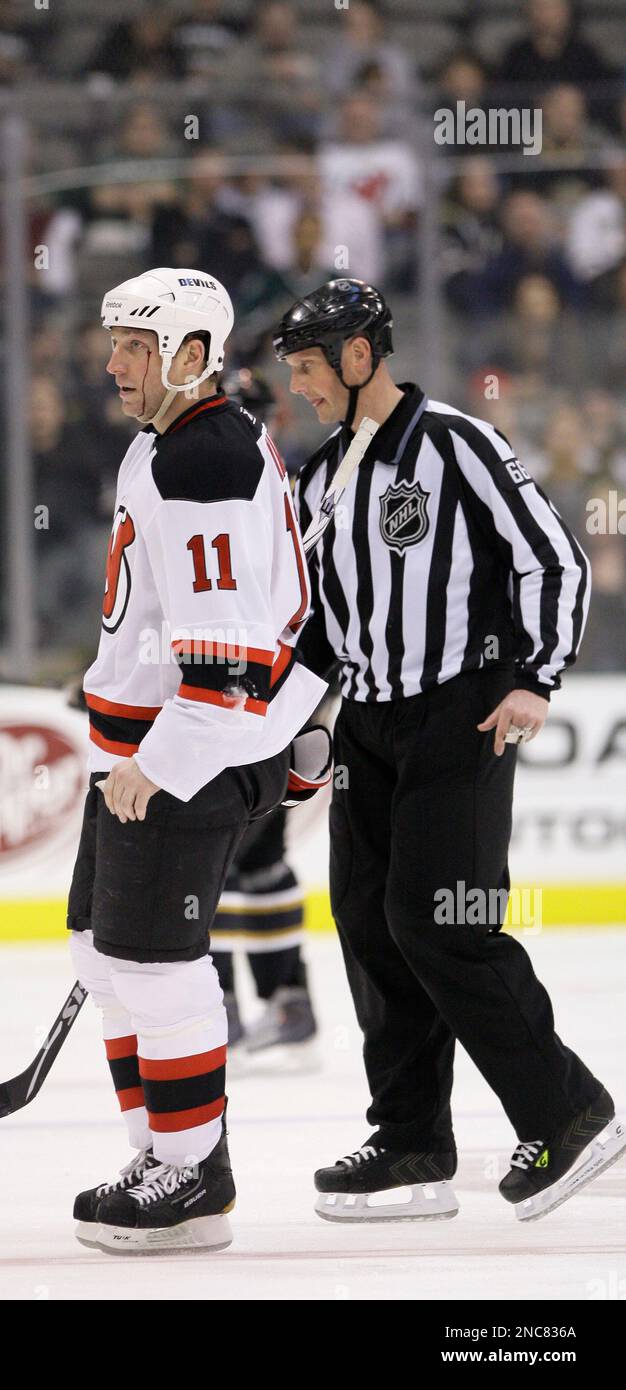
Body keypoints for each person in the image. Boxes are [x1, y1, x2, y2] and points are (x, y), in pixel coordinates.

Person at [272, 276, 623, 1223]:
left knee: (443, 919)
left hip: (459, 711)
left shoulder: (457, 444)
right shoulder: (320, 476)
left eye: (309, 367)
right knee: (370, 922)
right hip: (370, 726)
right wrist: (291, 725)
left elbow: (554, 555)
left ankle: (569, 1110)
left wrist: (533, 677)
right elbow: (317, 628)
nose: (299, 386)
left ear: (359, 356)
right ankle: (411, 1141)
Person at [66, 267, 327, 1254]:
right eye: (116, 344)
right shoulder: (170, 441)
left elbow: (226, 658)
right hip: (147, 747)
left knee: (155, 963)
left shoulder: (202, 459)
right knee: (102, 951)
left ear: (186, 355)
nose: (112, 363)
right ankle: (162, 1154)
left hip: (194, 753)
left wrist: (161, 759)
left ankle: (189, 1173)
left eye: (135, 348)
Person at [211, 368, 319, 1056]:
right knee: (248, 856)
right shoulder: (230, 487)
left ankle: (233, 1004)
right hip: (244, 701)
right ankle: (282, 1000)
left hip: (269, 702)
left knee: (221, 856)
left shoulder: (290, 490)